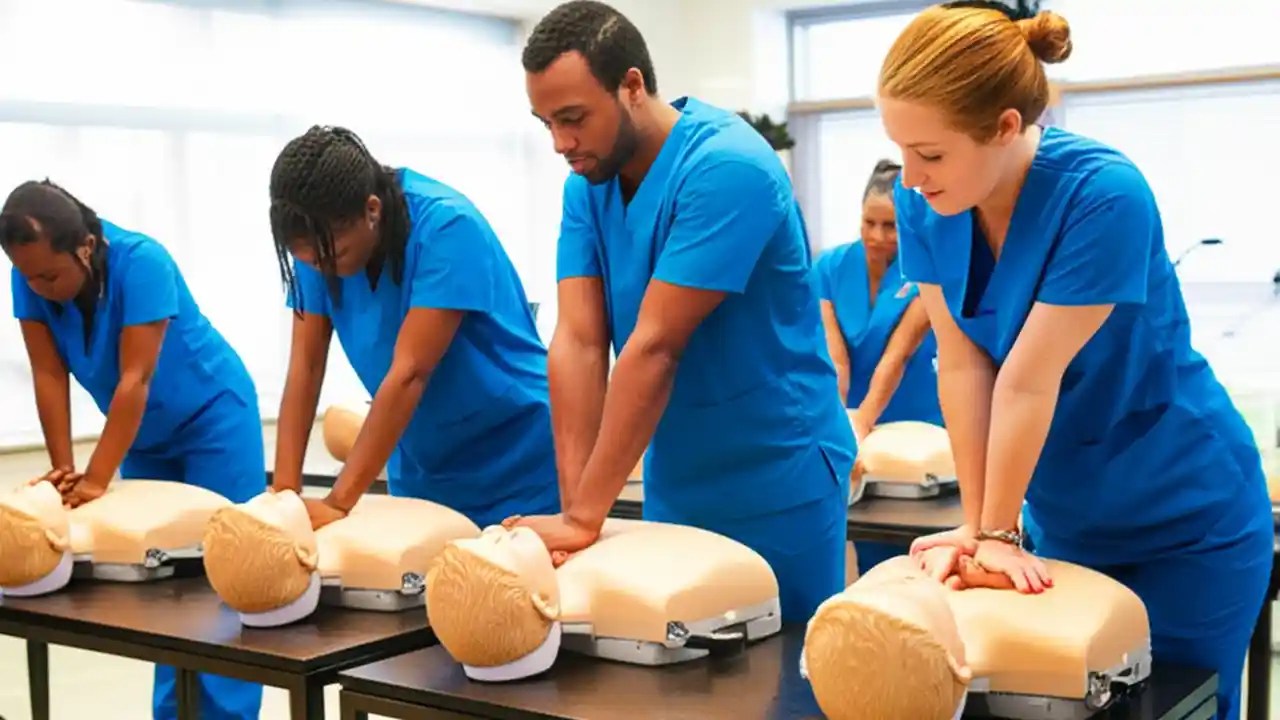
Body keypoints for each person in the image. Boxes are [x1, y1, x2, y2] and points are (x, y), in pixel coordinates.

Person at [876, 4, 1272, 719]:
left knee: (1177, 707)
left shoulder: (1103, 196)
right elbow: (963, 365)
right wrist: (979, 526)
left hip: (1186, 518)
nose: (909, 177)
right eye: (900, 149)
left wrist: (996, 534)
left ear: (1005, 126)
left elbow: (1028, 378)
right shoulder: (927, 200)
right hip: (1068, 519)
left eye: (929, 154)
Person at [509, 0, 855, 624]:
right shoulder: (587, 184)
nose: (561, 143)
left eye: (573, 119)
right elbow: (580, 340)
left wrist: (585, 515)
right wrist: (576, 509)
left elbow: (655, 346)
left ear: (632, 86)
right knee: (680, 662)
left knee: (787, 666)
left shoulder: (727, 167)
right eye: (547, 124)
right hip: (678, 475)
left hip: (776, 473)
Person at [1, 180, 265, 720]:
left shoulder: (143, 262)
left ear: (85, 247)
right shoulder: (29, 275)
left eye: (49, 276)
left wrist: (96, 478)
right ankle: (173, 713)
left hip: (213, 420)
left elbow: (135, 378)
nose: (39, 287)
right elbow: (48, 374)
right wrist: (63, 470)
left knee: (226, 575)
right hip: (142, 434)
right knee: (163, 586)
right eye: (28, 277)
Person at [267, 125, 560, 531]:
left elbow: (410, 373)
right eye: (309, 263)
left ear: (372, 211)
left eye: (335, 256)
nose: (322, 270)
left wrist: (338, 502)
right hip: (426, 466)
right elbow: (306, 366)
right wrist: (284, 501)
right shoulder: (318, 242)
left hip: (517, 459)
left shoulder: (447, 228)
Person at [813, 159, 942, 576]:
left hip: (917, 418)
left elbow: (896, 355)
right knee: (868, 546)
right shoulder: (829, 268)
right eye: (869, 222)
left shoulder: (928, 269)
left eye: (890, 226)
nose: (877, 235)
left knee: (920, 547)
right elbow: (835, 358)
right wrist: (841, 426)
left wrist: (863, 420)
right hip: (855, 421)